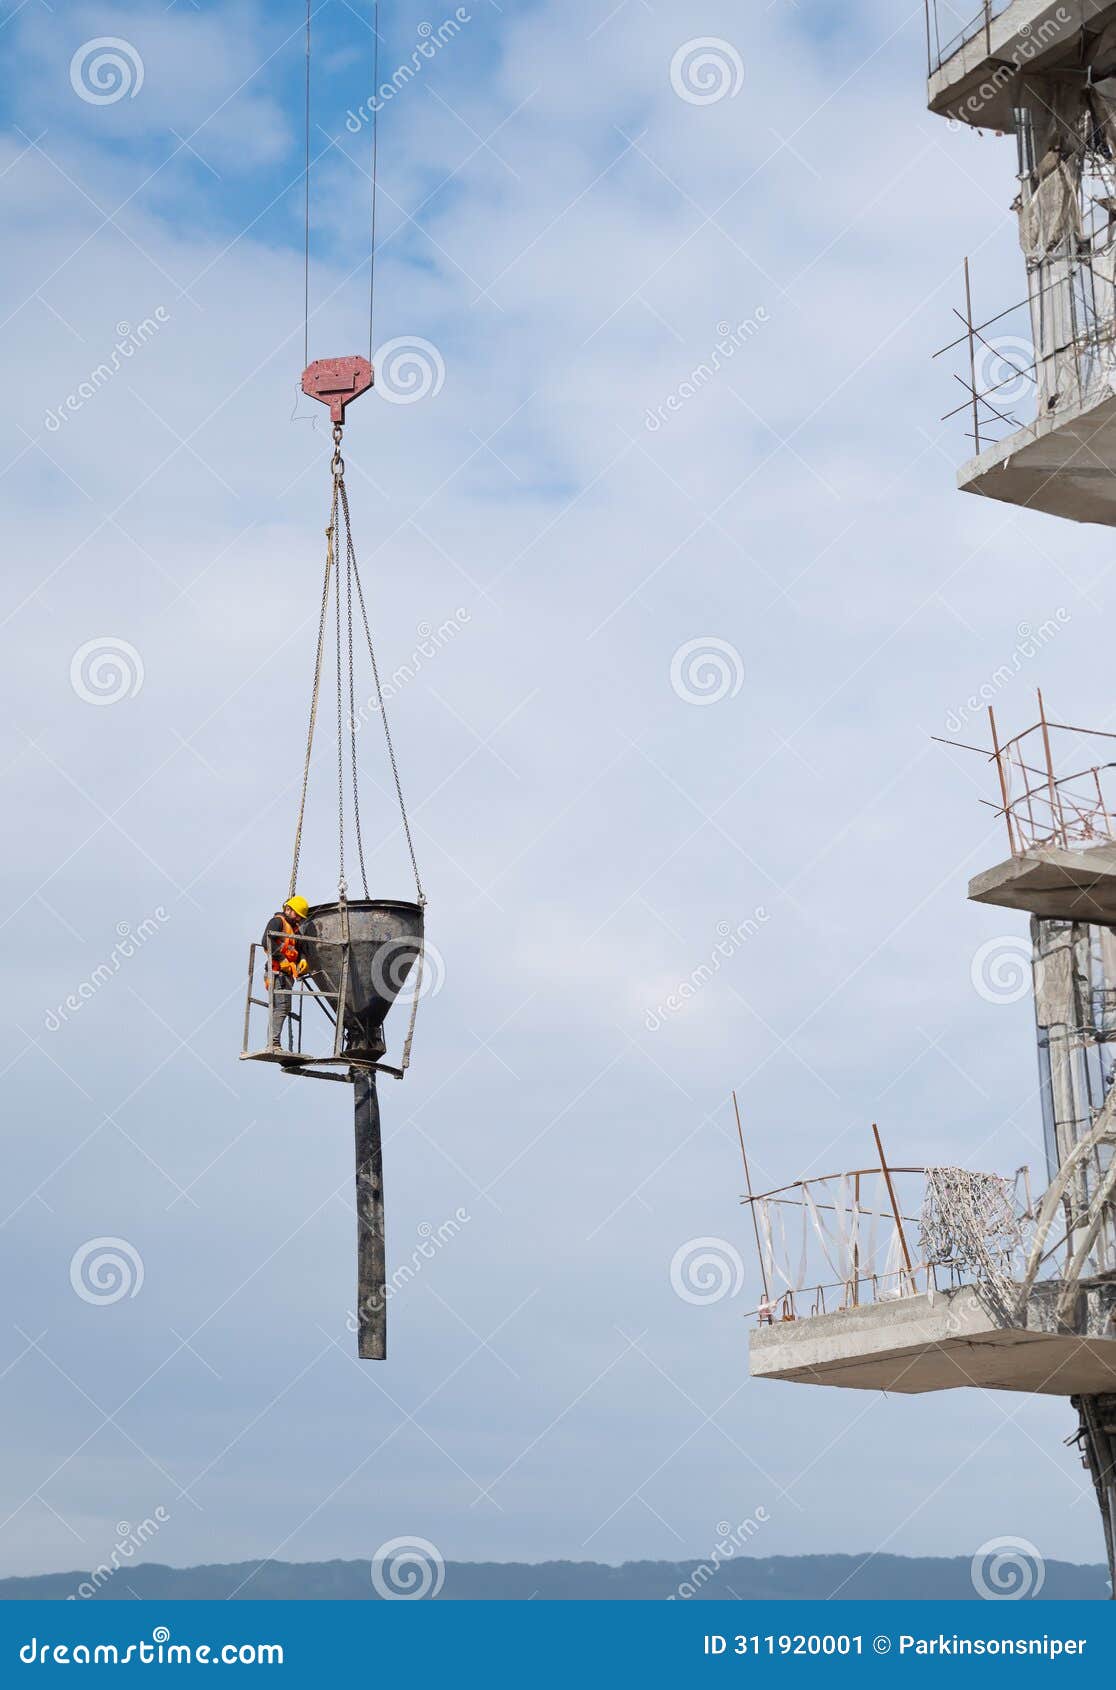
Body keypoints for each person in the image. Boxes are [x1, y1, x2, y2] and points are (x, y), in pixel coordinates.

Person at [263, 895, 310, 1052]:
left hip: (287, 974)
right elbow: (266, 941)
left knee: (282, 1007)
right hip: (276, 971)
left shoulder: (295, 929)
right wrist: (281, 958)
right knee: (282, 1007)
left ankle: (273, 1043)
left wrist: (302, 959)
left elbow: (300, 948)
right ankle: (273, 1044)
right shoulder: (277, 922)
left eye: (300, 917)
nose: (298, 919)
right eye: (296, 915)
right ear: (288, 909)